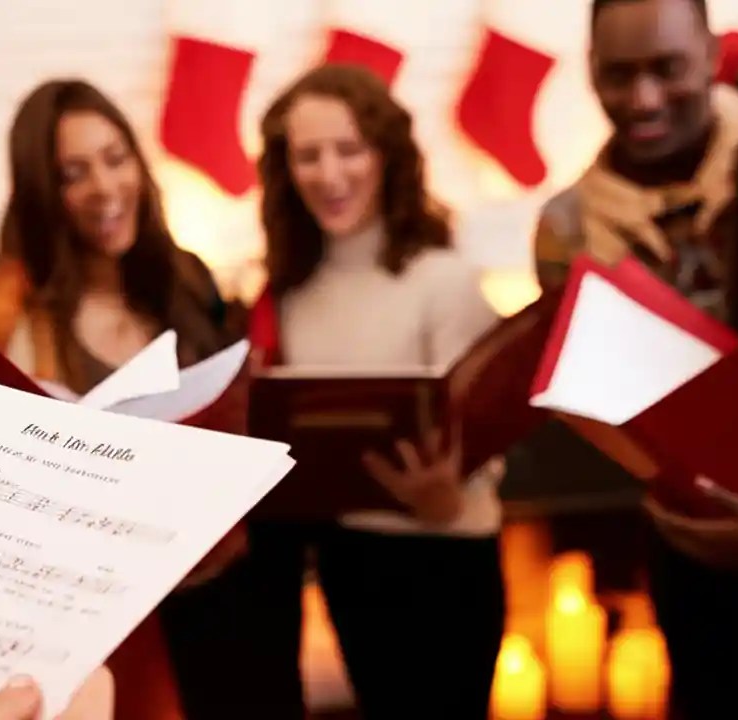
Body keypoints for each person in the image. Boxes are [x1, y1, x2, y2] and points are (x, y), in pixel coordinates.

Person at [0, 79, 249, 718]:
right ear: (44, 193)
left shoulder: (186, 278)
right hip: (108, 628)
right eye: (73, 173)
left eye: (116, 159)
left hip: (224, 593)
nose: (104, 187)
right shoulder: (18, 317)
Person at [243, 64, 506, 718]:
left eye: (349, 149)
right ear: (285, 169)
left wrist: (447, 496)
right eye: (308, 155)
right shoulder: (287, 292)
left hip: (447, 560)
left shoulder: (443, 279)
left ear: (385, 155)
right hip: (347, 561)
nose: (330, 175)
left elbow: (488, 439)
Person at [532, 0, 738, 716]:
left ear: (709, 54)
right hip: (683, 528)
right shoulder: (567, 227)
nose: (644, 100)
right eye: (618, 75)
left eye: (667, 69)